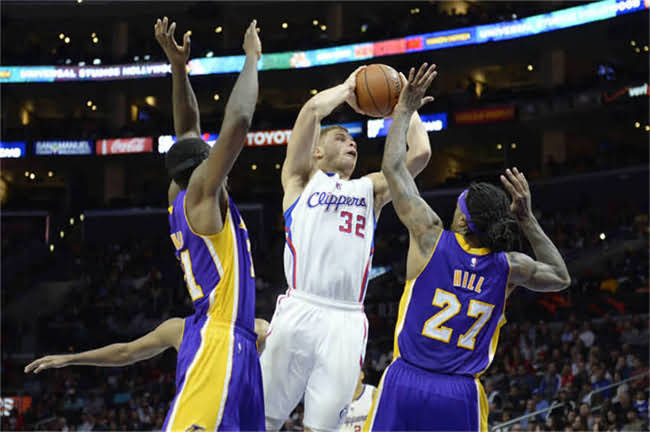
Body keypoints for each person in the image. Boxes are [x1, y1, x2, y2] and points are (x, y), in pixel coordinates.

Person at [363, 63, 571, 431]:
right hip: (459, 394)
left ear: (462, 220)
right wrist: (527, 218)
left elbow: (393, 168)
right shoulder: (510, 266)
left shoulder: (430, 236)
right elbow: (560, 276)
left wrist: (405, 109)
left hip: (405, 380)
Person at [261, 63, 434, 431]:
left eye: (353, 140)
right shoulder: (300, 181)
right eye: (340, 138)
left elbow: (420, 153)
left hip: (347, 320)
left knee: (324, 427)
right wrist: (349, 88)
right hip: (300, 306)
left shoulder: (370, 189)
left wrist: (406, 107)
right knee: (262, 418)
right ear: (317, 152)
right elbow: (311, 111)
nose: (351, 142)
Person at [158, 16, 262, 431]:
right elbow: (239, 121)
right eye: (209, 155)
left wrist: (178, 68)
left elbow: (186, 128)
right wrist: (252, 57)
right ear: (205, 168)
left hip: (233, 338)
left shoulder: (181, 193)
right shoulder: (203, 194)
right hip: (219, 338)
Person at [24, 318, 269, 373]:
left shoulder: (256, 329)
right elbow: (126, 352)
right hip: (193, 415)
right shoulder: (179, 328)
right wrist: (70, 359)